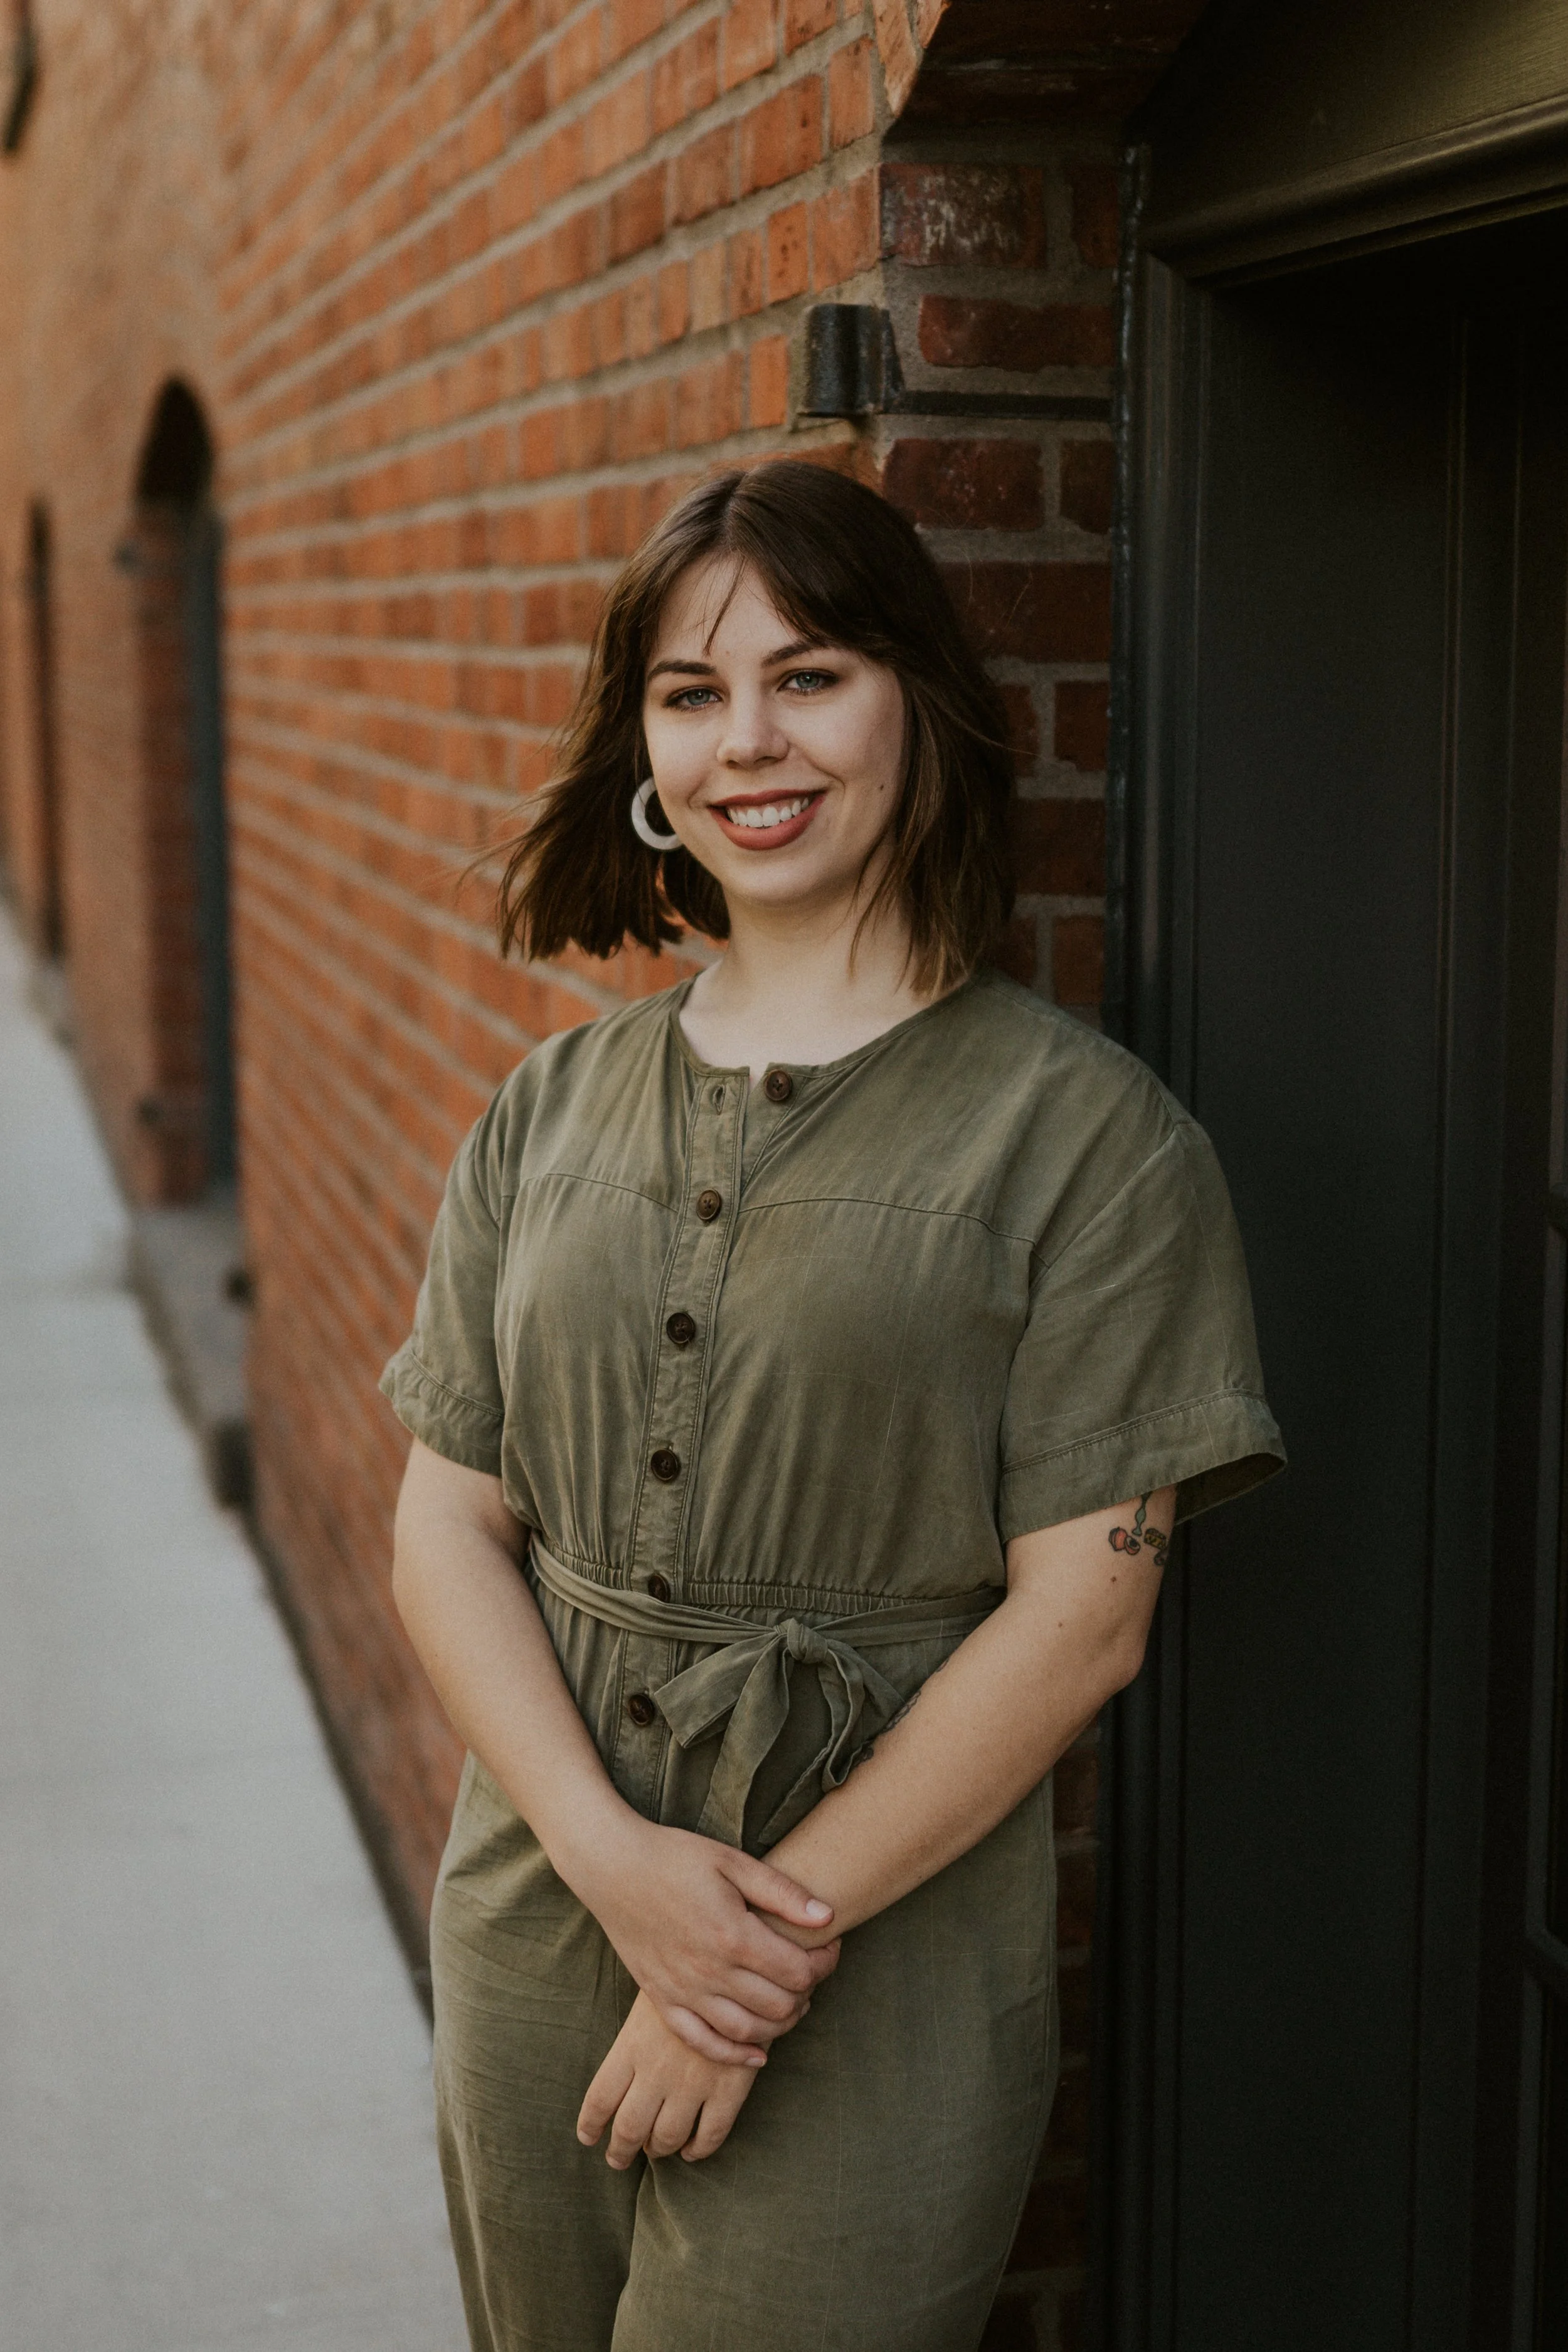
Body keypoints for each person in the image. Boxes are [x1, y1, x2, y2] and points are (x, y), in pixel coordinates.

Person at [381, 458, 1285, 2352]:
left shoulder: (1093, 1145)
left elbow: (1081, 1621)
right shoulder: (543, 1111)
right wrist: (617, 1869)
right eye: (691, 693)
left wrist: (736, 1956)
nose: (747, 743)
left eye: (809, 675)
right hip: (544, 1899)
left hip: (877, 1939)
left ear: (916, 707)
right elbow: (446, 1521)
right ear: (641, 747)